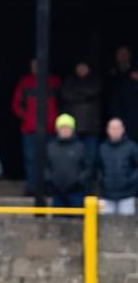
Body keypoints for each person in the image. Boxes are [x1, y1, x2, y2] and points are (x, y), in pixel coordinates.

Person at [12, 58, 61, 193]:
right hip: (30, 128)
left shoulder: (54, 82)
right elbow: (17, 104)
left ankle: (49, 186)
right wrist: (26, 117)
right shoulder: (25, 82)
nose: (37, 68)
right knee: (30, 158)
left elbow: (62, 103)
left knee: (50, 159)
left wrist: (55, 120)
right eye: (34, 65)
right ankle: (32, 187)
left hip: (50, 128)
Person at [45, 114, 92, 208]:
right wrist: (51, 182)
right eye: (62, 128)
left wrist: (78, 182)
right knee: (57, 222)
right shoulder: (50, 147)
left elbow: (88, 167)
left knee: (77, 221)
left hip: (76, 193)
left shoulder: (80, 147)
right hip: (56, 192)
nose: (65, 130)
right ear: (57, 130)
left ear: (72, 129)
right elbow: (45, 167)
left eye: (68, 128)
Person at [61, 60, 102, 164]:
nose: (81, 69)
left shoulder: (95, 80)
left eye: (84, 67)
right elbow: (66, 94)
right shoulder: (70, 80)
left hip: (91, 127)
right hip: (74, 127)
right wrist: (85, 96)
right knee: (74, 157)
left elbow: (93, 90)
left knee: (91, 157)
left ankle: (90, 179)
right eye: (79, 67)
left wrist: (76, 94)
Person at [96, 118, 138, 215]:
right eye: (112, 128)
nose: (115, 130)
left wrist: (130, 180)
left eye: (117, 128)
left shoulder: (132, 147)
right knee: (105, 225)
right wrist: (102, 180)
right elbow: (97, 167)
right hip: (106, 194)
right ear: (107, 130)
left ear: (123, 129)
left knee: (127, 227)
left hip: (127, 195)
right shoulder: (102, 148)